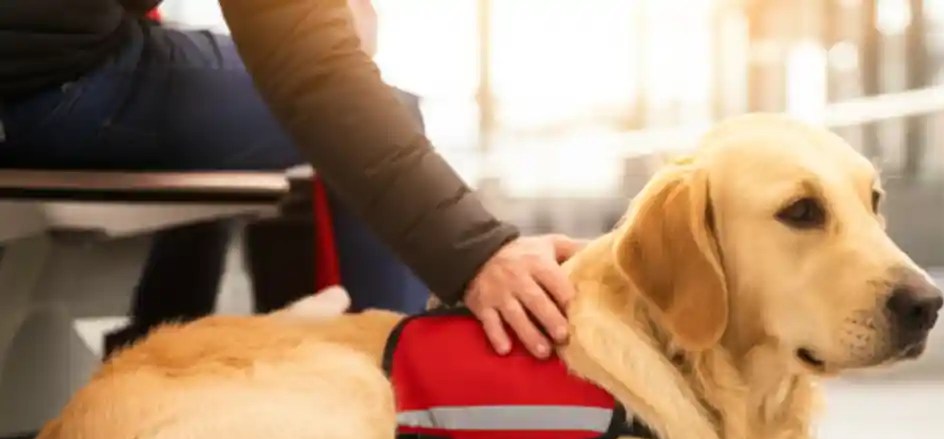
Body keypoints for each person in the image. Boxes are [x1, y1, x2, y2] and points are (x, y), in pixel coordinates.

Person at [0, 0, 582, 359]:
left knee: (221, 121)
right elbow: (308, 62)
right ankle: (404, 414)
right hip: (48, 89)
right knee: (390, 110)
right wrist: (478, 253)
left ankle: (159, 373)